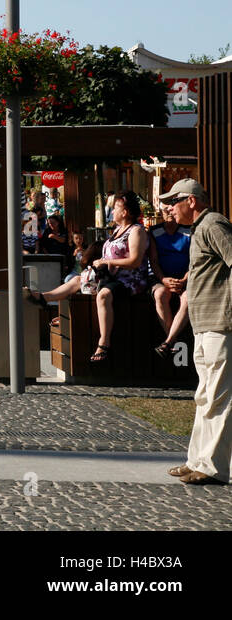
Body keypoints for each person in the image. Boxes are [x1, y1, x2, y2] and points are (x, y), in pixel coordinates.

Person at [159, 179, 232, 484]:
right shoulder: (199, 228)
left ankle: (212, 466)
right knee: (204, 397)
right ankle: (197, 460)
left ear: (191, 201)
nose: (168, 208)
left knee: (217, 397)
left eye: (174, 201)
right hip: (204, 325)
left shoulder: (213, 223)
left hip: (220, 322)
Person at [84, 191, 150, 363]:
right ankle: (46, 300)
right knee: (78, 281)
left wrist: (108, 262)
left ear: (125, 212)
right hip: (112, 278)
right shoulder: (117, 230)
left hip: (130, 280)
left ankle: (103, 343)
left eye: (115, 208)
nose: (112, 211)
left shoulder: (136, 231)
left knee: (104, 295)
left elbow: (135, 261)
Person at [150, 201, 192, 358]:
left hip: (186, 278)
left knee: (188, 298)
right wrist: (164, 279)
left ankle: (168, 342)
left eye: (171, 210)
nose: (168, 213)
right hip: (162, 278)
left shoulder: (189, 231)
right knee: (160, 294)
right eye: (164, 210)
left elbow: (194, 260)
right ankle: (172, 341)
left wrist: (184, 280)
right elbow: (153, 261)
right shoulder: (154, 231)